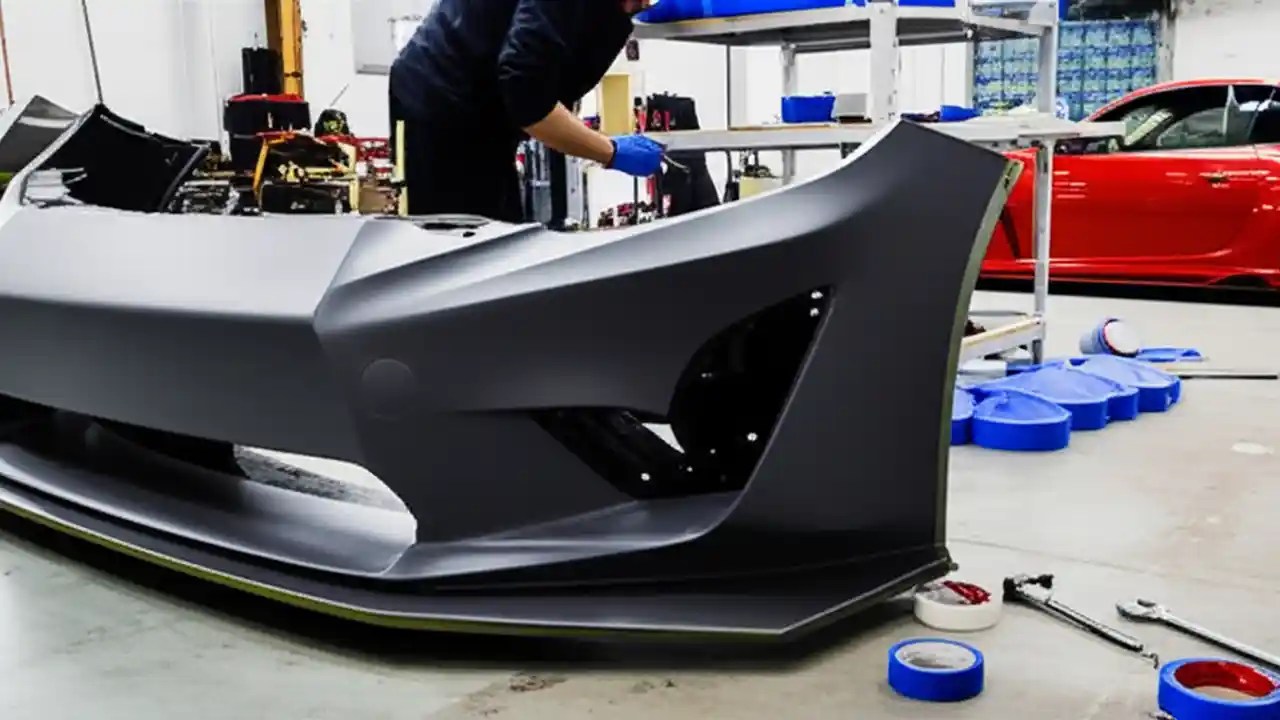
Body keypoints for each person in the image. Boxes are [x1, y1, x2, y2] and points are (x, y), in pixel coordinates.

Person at [389, 0, 665, 222]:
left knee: (498, 242)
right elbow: (527, 95)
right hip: (439, 106)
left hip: (482, 116)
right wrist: (610, 152)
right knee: (459, 251)